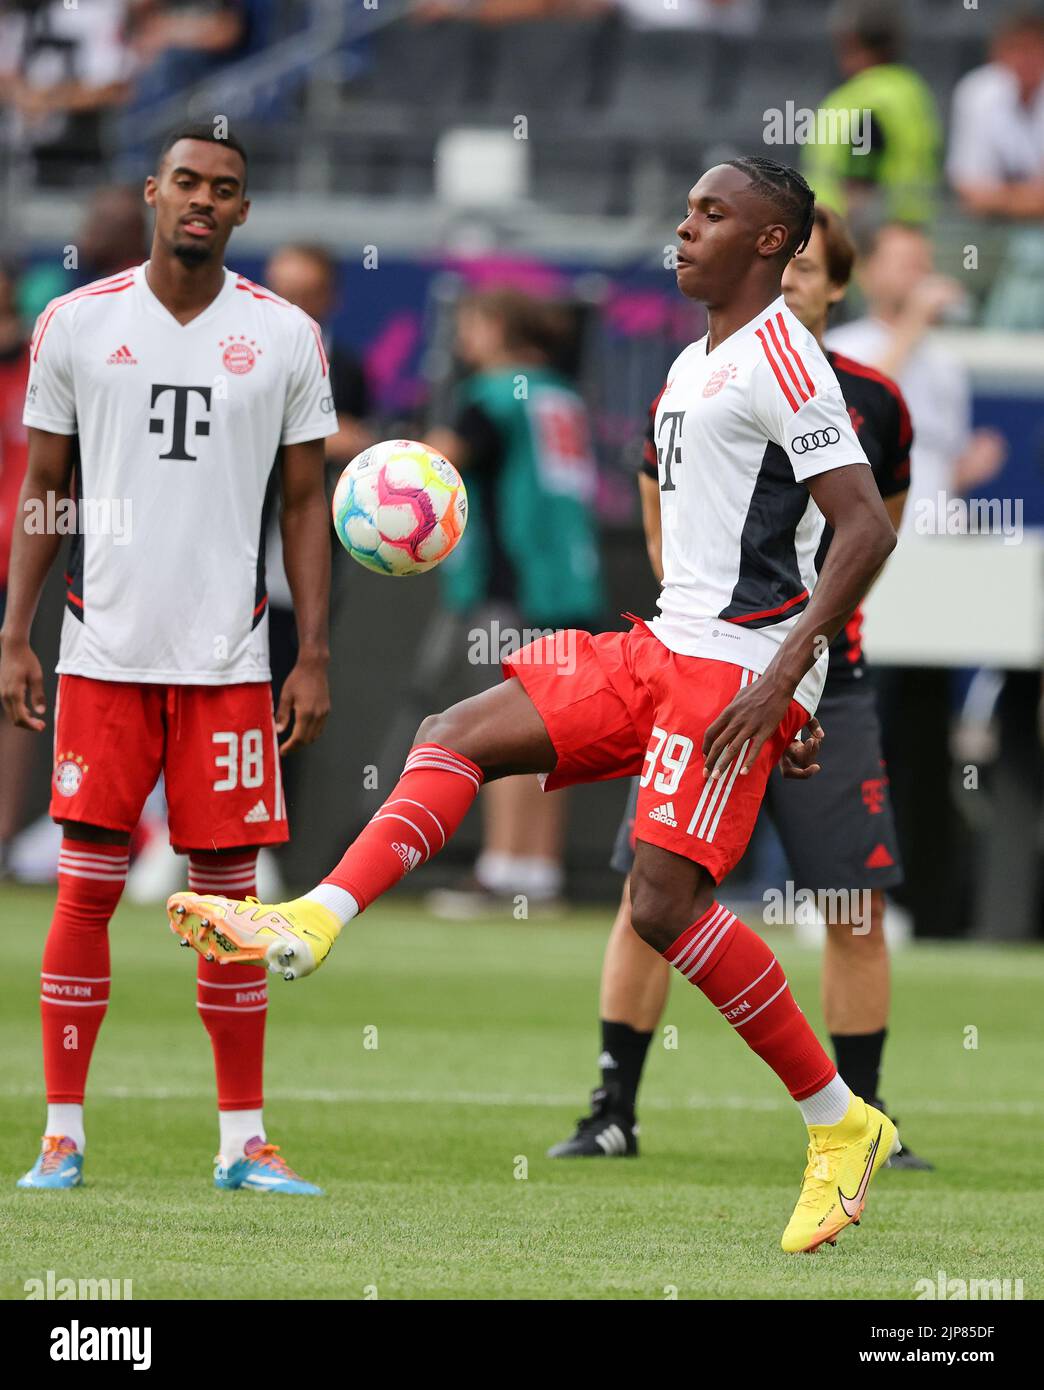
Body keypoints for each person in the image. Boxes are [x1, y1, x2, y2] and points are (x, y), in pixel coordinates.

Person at [167, 156, 901, 1255]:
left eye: (712, 214)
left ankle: (840, 1125)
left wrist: (783, 677)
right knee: (453, 733)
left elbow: (864, 526)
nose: (684, 228)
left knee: (660, 905)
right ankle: (309, 921)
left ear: (769, 243)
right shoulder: (698, 360)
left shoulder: (786, 360)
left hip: (728, 669)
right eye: (687, 206)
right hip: (663, 643)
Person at [547, 205, 931, 1170]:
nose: (789, 282)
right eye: (782, 265)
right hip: (703, 672)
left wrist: (803, 644)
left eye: (808, 272)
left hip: (821, 686)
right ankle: (612, 1107)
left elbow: (874, 527)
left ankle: (866, 1115)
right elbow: (654, 497)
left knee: (850, 905)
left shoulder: (874, 401)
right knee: (653, 890)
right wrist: (703, 621)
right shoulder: (701, 375)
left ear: (835, 288)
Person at [0, 123, 337, 1193]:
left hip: (230, 660)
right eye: (186, 181)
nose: (202, 199)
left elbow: (303, 499)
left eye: (224, 188)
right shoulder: (77, 324)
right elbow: (44, 487)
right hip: (103, 651)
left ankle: (243, 1142)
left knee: (230, 911)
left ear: (243, 210)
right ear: (155, 192)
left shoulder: (286, 335)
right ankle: (62, 1133)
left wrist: (313, 649)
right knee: (88, 891)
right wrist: (16, 629)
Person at [424, 289, 606, 915]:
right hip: (570, 583)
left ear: (496, 325)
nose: (463, 339)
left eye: (471, 323)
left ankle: (503, 869)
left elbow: (431, 466)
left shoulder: (493, 395)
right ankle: (539, 872)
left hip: (516, 583)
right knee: (554, 735)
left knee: (501, 733)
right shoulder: (563, 393)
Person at [801, 0, 940, 225]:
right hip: (905, 229)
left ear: (851, 39)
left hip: (854, 238)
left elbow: (859, 189)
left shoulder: (862, 100)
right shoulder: (912, 92)